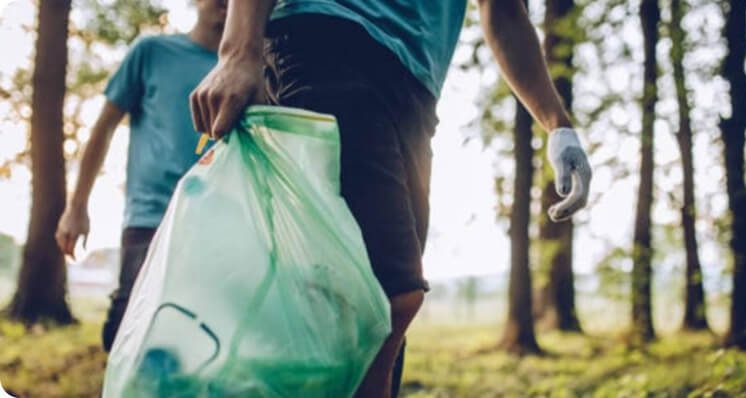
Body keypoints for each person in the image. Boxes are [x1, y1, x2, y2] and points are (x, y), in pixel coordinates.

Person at [190, 0, 592, 396]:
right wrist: (238, 50)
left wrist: (558, 125)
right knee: (384, 297)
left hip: (417, 89)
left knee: (381, 317)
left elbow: (503, 11)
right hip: (328, 37)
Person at [55, 0, 227, 352]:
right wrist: (77, 206)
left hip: (216, 224)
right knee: (125, 331)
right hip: (150, 217)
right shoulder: (152, 52)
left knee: (197, 340)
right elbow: (103, 128)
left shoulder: (248, 68)